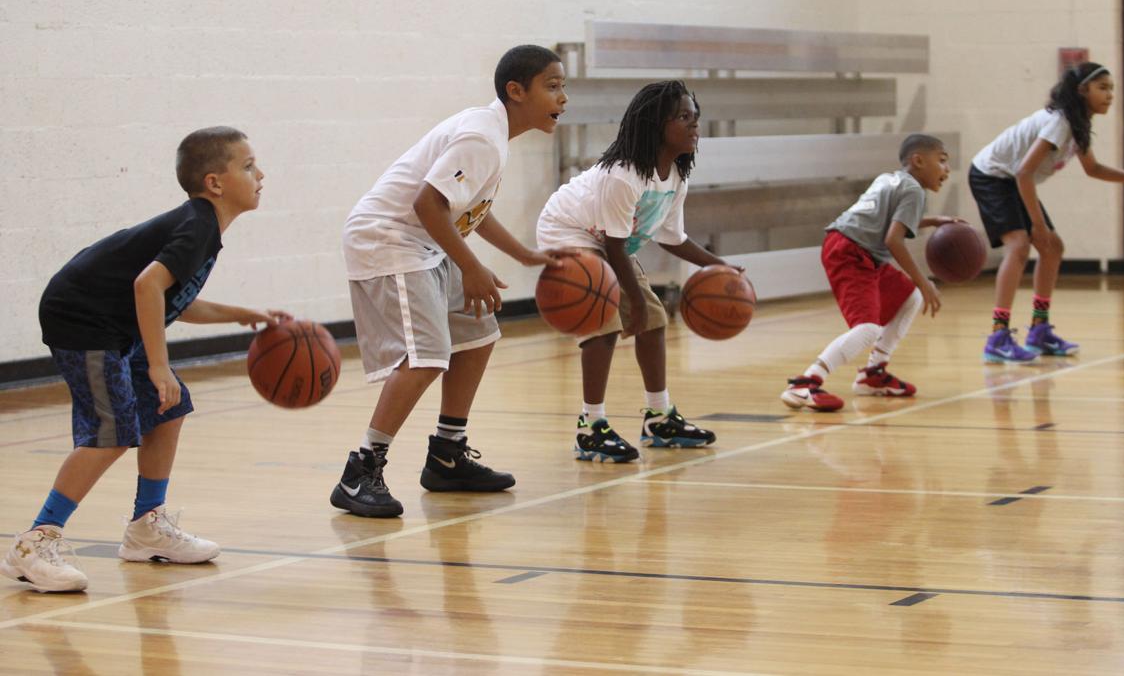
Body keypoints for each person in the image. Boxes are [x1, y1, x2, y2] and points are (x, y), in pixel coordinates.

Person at [2, 126, 289, 593]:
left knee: (169, 407)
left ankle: (145, 528)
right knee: (111, 432)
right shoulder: (198, 224)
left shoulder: (202, 227)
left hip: (112, 323)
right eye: (249, 166)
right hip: (81, 319)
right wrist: (158, 367)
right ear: (215, 182)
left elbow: (173, 299)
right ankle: (35, 542)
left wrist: (243, 315)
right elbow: (147, 286)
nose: (261, 175)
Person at [332, 45, 568, 517]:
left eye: (564, 87)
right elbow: (428, 204)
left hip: (425, 241)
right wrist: (471, 267)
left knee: (478, 332)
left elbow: (467, 209)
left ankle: (447, 454)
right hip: (389, 239)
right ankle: (361, 471)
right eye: (554, 86)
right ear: (515, 91)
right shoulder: (482, 136)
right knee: (426, 356)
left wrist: (524, 254)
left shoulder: (492, 134)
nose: (564, 98)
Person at [537, 80, 736, 462]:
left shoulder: (676, 176)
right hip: (569, 231)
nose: (695, 126)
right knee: (604, 321)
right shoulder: (623, 175)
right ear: (656, 125)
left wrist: (721, 267)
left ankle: (658, 417)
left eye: (696, 117)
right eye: (683, 118)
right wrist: (636, 306)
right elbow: (613, 247)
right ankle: (590, 427)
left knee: (655, 320)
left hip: (608, 242)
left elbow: (673, 238)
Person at [969, 63, 1124, 363]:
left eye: (1112, 88)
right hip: (993, 175)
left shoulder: (1078, 124)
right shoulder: (1059, 122)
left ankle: (1038, 329)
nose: (1110, 94)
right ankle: (998, 335)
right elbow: (1024, 172)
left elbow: (1094, 169)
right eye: (1103, 87)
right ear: (1081, 90)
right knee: (1020, 246)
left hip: (1014, 179)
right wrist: (1037, 225)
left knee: (1053, 248)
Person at [781, 133, 960, 412]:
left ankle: (873, 375)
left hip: (850, 246)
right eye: (943, 161)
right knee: (867, 329)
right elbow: (893, 239)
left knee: (908, 298)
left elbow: (889, 222)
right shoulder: (914, 190)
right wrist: (924, 281)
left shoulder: (890, 179)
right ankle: (805, 383)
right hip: (852, 253)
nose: (947, 169)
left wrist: (934, 221)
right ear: (918, 160)